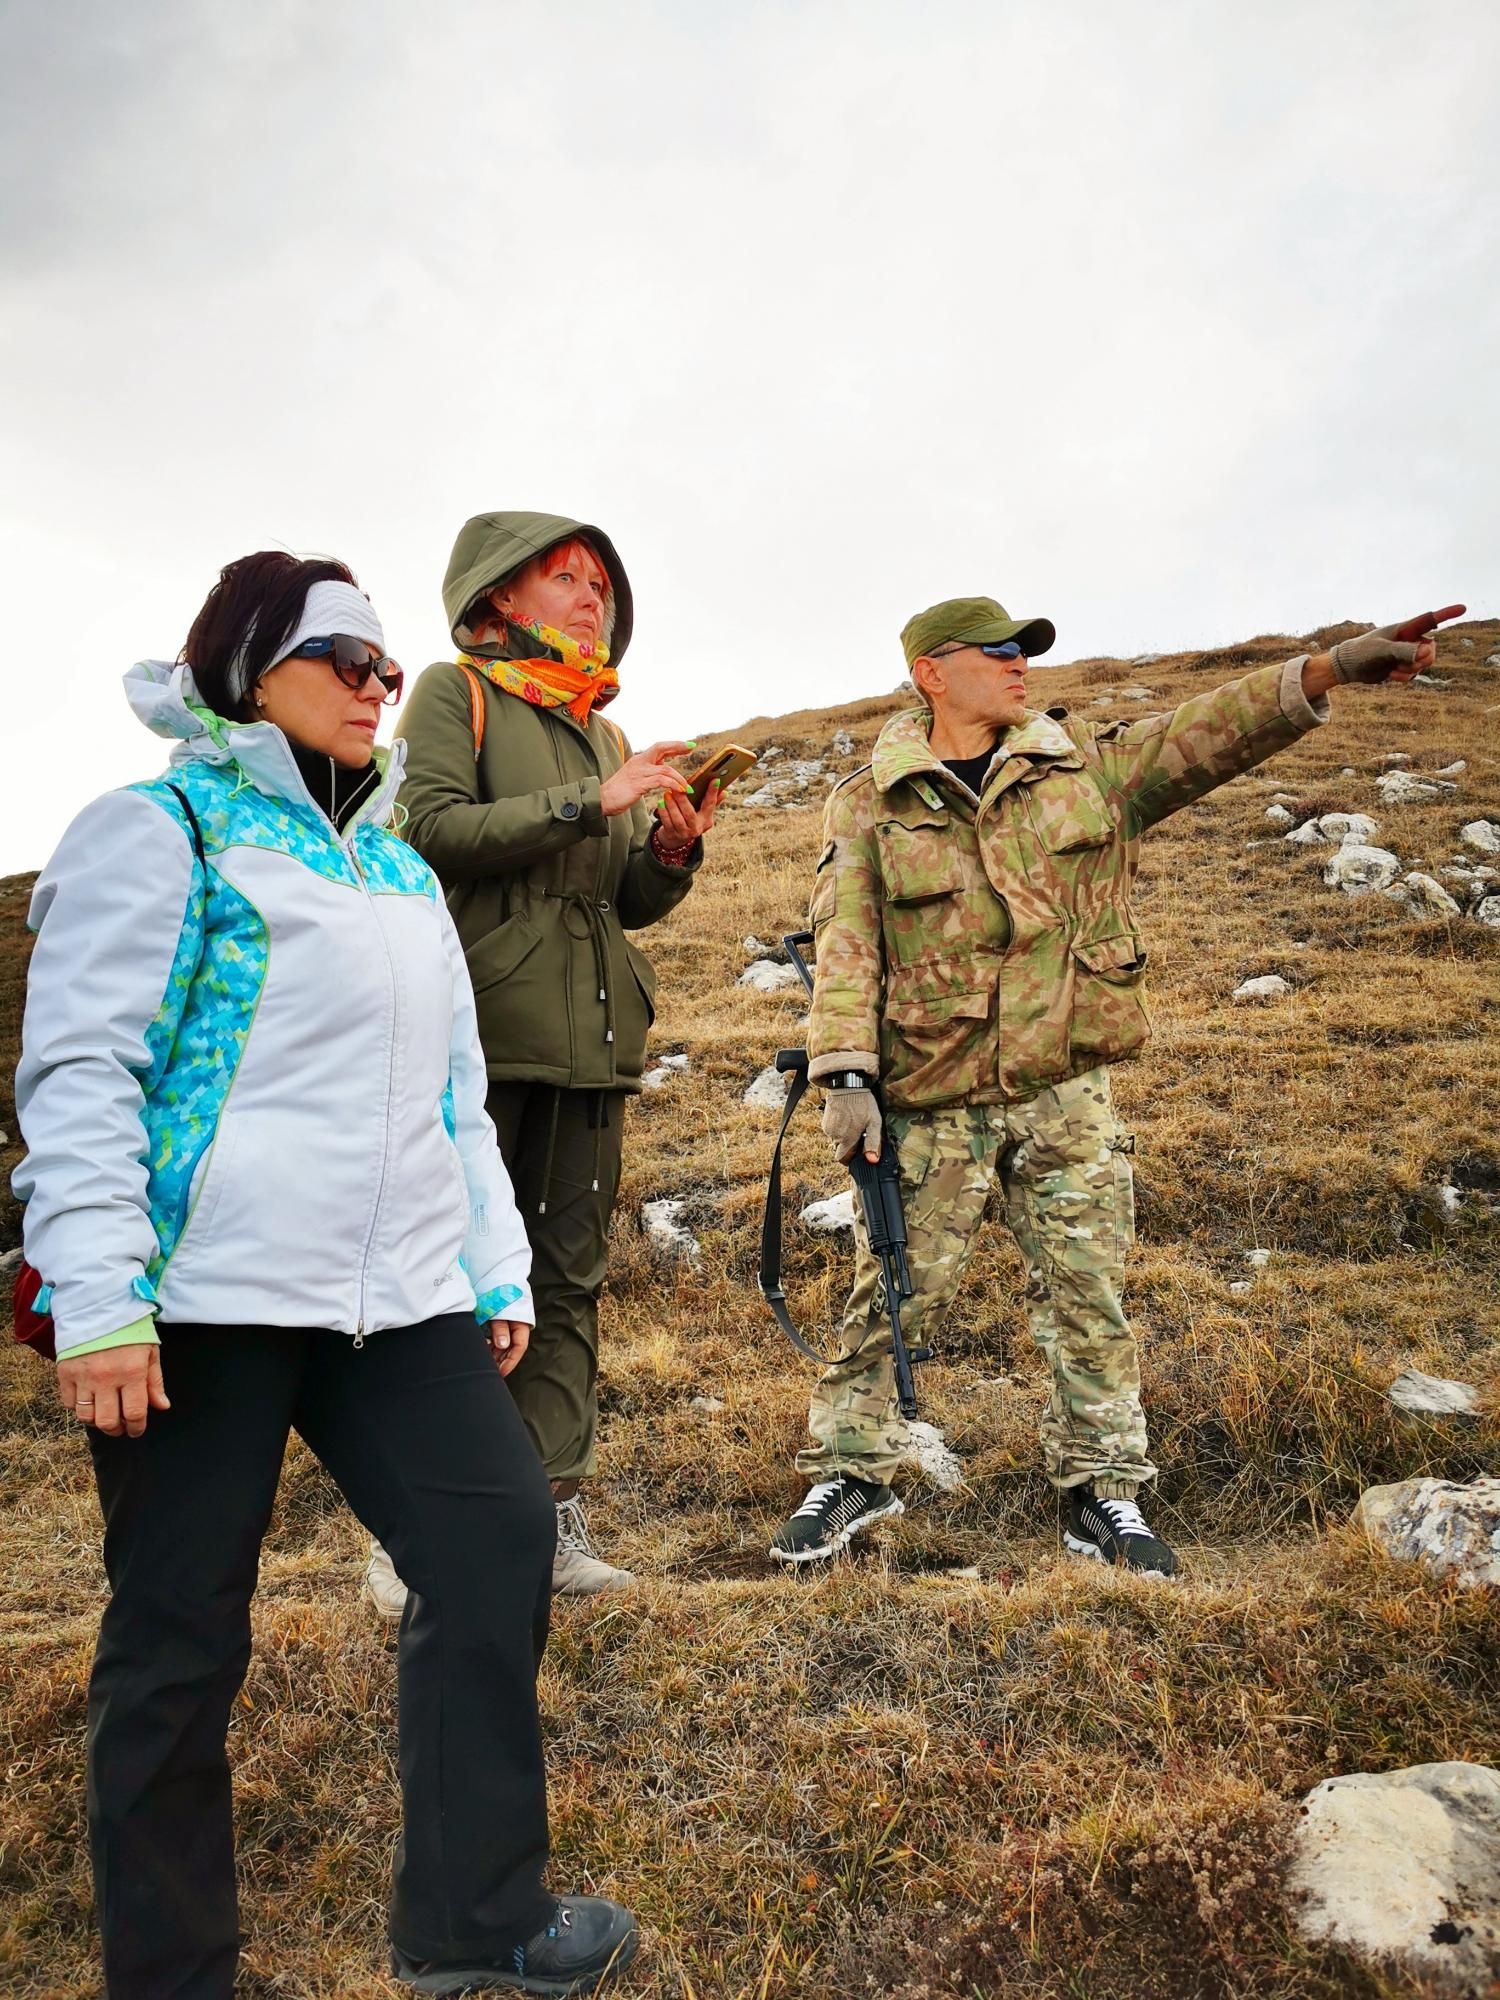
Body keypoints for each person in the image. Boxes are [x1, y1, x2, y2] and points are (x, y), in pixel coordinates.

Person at [12, 552, 637, 1999]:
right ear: (248, 673)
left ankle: (474, 1926)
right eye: (341, 659)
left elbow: (451, 1097)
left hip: (399, 1303)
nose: (377, 684)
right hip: (204, 1307)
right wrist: (99, 1298)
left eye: (384, 665)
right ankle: (172, 1979)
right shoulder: (156, 832)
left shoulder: (399, 866)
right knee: (177, 1641)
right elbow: (83, 1071)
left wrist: (493, 1271)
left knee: (493, 1553)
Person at [769, 594, 1464, 1575]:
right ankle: (851, 1470)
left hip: (1068, 1093)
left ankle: (1102, 1492)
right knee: (891, 1292)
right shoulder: (871, 799)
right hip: (933, 1096)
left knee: (1089, 1294)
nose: (1020, 666)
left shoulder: (1082, 767)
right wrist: (846, 1070)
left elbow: (1210, 732)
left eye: (1026, 651)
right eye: (997, 651)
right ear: (932, 670)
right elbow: (847, 939)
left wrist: (1332, 666)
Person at [390, 511, 717, 1600]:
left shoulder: (604, 732)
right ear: (495, 601)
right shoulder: (458, 691)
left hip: (595, 1041)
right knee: (454, 1281)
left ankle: (552, 1520)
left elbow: (621, 898)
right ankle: (411, 1533)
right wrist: (593, 798)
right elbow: (429, 828)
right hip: (481, 1035)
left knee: (567, 1279)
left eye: (601, 585)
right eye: (565, 578)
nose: (594, 598)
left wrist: (668, 847)